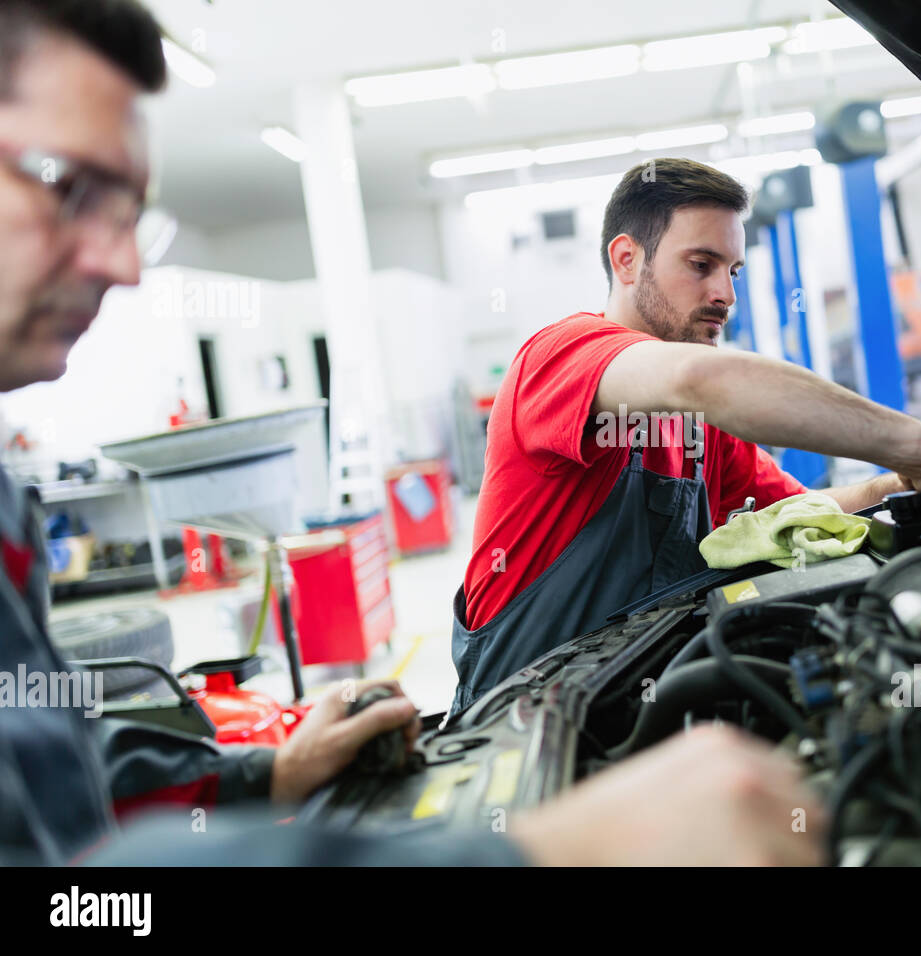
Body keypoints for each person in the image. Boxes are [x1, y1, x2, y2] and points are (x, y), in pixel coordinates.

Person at [0, 0, 823, 866]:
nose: (124, 263)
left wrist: (265, 775)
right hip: (537, 708)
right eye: (70, 185)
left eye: (132, 211)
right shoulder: (569, 355)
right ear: (627, 259)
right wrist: (537, 853)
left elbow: (49, 764)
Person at [453, 159, 921, 710]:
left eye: (734, 271)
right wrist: (918, 442)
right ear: (627, 260)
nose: (725, 293)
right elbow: (700, 379)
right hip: (520, 724)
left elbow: (795, 512)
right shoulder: (562, 355)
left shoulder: (700, 427)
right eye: (701, 264)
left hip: (645, 702)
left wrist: (893, 486)